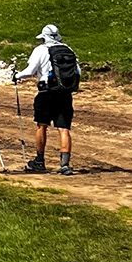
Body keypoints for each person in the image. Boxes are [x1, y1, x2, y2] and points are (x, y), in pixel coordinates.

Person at [13, 24, 81, 175]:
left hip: (46, 91)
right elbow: (78, 71)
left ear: (44, 37)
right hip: (64, 92)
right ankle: (65, 165)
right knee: (63, 128)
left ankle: (39, 160)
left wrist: (16, 76)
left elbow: (30, 71)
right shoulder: (68, 49)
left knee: (42, 125)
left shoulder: (40, 50)